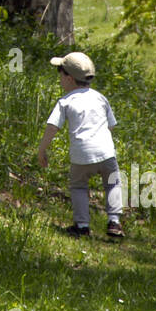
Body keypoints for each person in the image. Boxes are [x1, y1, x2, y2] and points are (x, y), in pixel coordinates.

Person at [36, 52, 124, 238]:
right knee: (112, 183)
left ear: (68, 78)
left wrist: (42, 150)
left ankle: (82, 225)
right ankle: (114, 221)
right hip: (107, 153)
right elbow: (111, 126)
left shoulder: (65, 101)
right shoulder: (100, 98)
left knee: (78, 187)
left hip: (81, 156)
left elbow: (52, 127)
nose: (59, 78)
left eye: (60, 74)